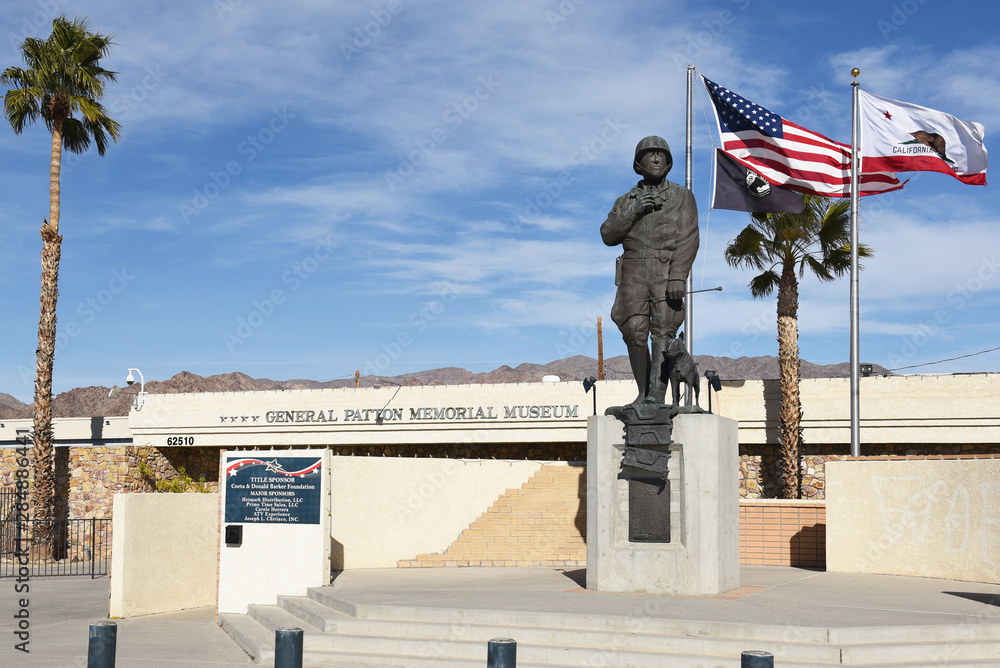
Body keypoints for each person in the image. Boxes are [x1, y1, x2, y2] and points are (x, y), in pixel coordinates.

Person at [600, 136, 699, 405]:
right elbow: (608, 235)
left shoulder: (682, 196)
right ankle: (642, 394)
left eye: (661, 154)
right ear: (638, 164)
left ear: (668, 163)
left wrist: (678, 275)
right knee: (633, 330)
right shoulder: (625, 200)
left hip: (665, 270)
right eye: (649, 154)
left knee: (664, 329)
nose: (655, 158)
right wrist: (633, 211)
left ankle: (657, 394)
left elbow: (689, 238)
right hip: (632, 271)